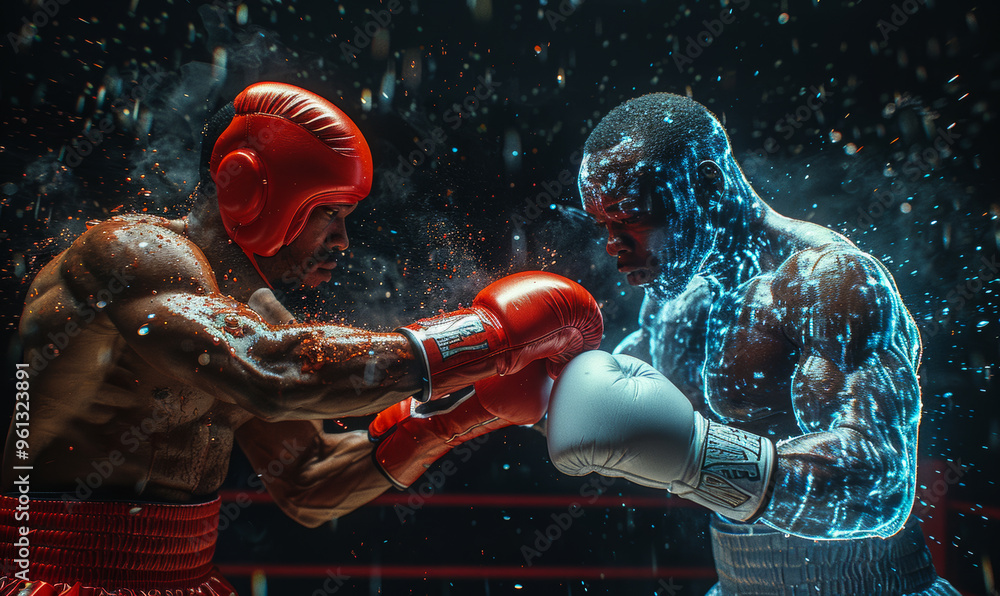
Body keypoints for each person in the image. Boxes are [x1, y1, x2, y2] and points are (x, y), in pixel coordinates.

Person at [1, 82, 603, 594]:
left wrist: (465, 414)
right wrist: (488, 337)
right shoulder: (130, 253)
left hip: (188, 579)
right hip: (53, 572)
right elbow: (275, 376)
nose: (342, 241)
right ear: (253, 189)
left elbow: (309, 481)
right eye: (329, 212)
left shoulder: (251, 314)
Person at [545, 92, 959, 595]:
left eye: (629, 216)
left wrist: (698, 458)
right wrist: (479, 373)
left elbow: (881, 486)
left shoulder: (825, 280)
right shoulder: (673, 304)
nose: (614, 245)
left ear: (707, 183)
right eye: (604, 226)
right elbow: (598, 407)